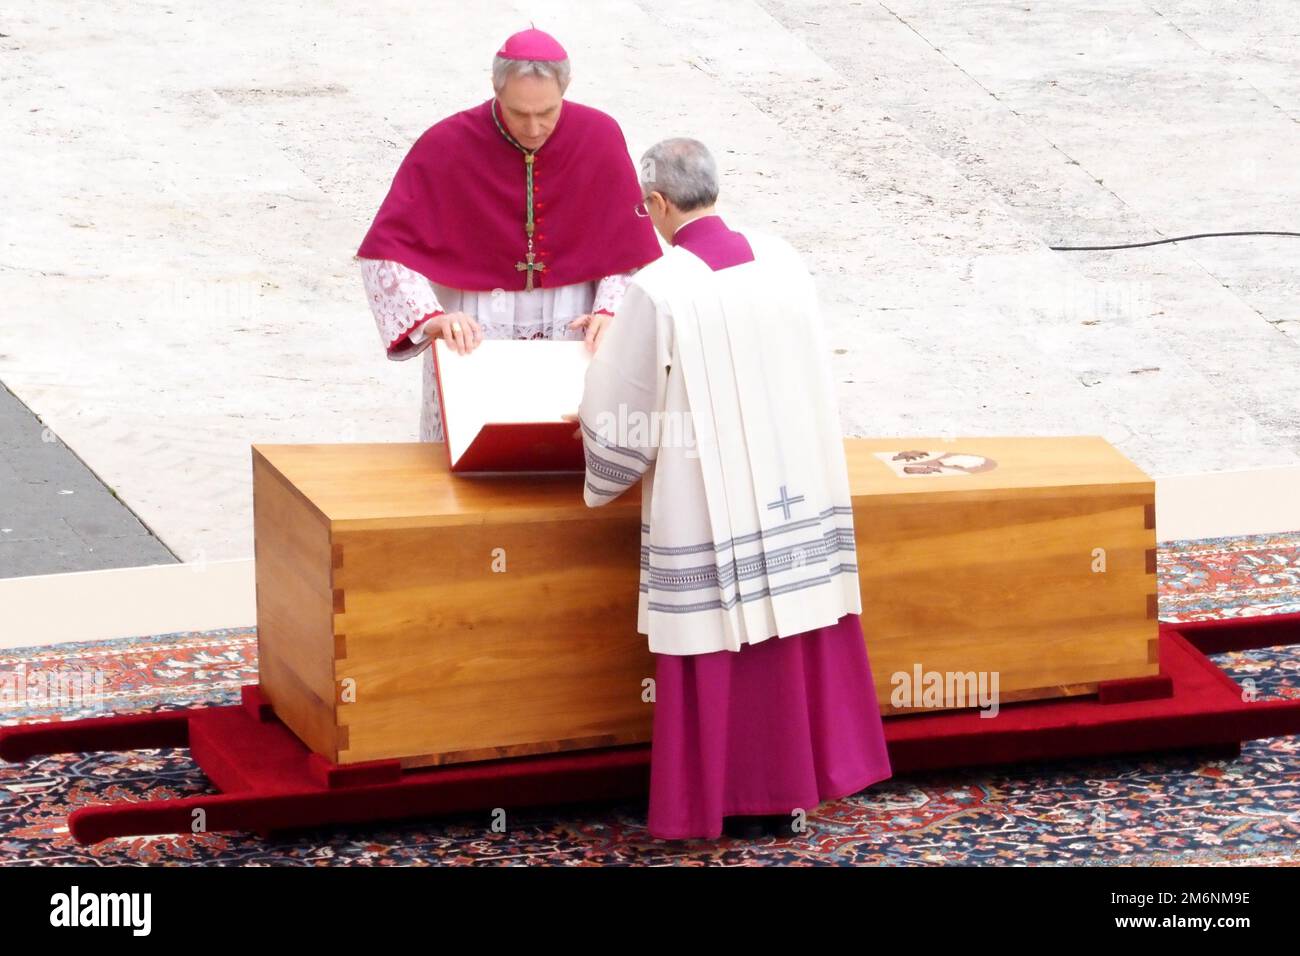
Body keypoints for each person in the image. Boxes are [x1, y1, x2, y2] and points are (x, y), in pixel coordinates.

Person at [574, 138, 893, 841]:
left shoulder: (657, 288)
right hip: (793, 478)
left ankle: (722, 796)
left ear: (657, 205)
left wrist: (598, 365)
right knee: (793, 624)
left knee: (719, 636)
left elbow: (620, 413)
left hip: (707, 495)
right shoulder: (783, 258)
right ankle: (794, 788)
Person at [355, 27, 662, 442]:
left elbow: (630, 248)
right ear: (496, 90)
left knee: (564, 446)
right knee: (474, 445)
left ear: (565, 88)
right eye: (519, 114)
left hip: (572, 323)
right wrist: (432, 319)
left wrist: (611, 312)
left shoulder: (599, 137)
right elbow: (385, 252)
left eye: (547, 113)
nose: (534, 128)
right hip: (477, 324)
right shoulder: (447, 144)